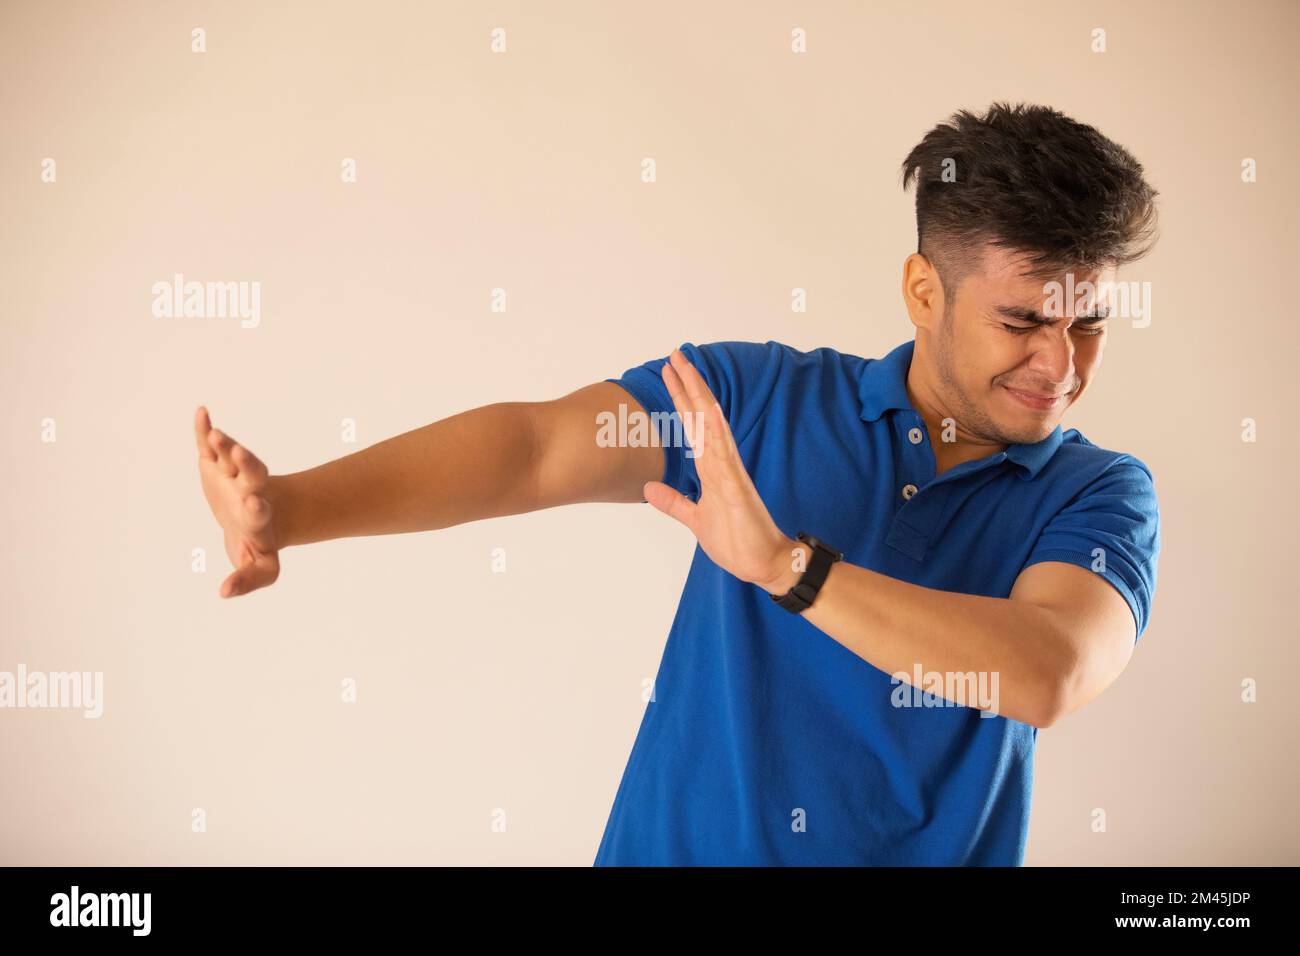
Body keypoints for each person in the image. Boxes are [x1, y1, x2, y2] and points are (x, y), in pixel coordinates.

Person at [193, 102, 1161, 865]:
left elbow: (1046, 671)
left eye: (1088, 324)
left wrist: (789, 567)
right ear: (921, 291)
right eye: (1023, 320)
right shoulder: (747, 398)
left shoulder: (1098, 493)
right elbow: (533, 448)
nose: (1060, 364)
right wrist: (294, 507)